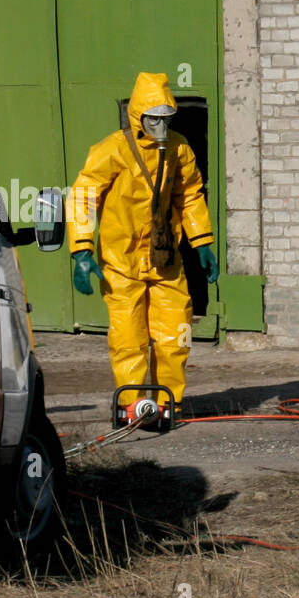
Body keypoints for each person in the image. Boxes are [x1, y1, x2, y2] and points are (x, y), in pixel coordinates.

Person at [67, 72, 219, 427]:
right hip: (121, 262)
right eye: (154, 119)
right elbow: (83, 197)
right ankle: (134, 408)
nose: (161, 127)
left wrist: (202, 242)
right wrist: (81, 250)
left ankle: (168, 405)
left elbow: (190, 194)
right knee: (128, 339)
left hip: (164, 260)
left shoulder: (179, 149)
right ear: (138, 116)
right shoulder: (113, 151)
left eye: (166, 120)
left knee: (174, 337)